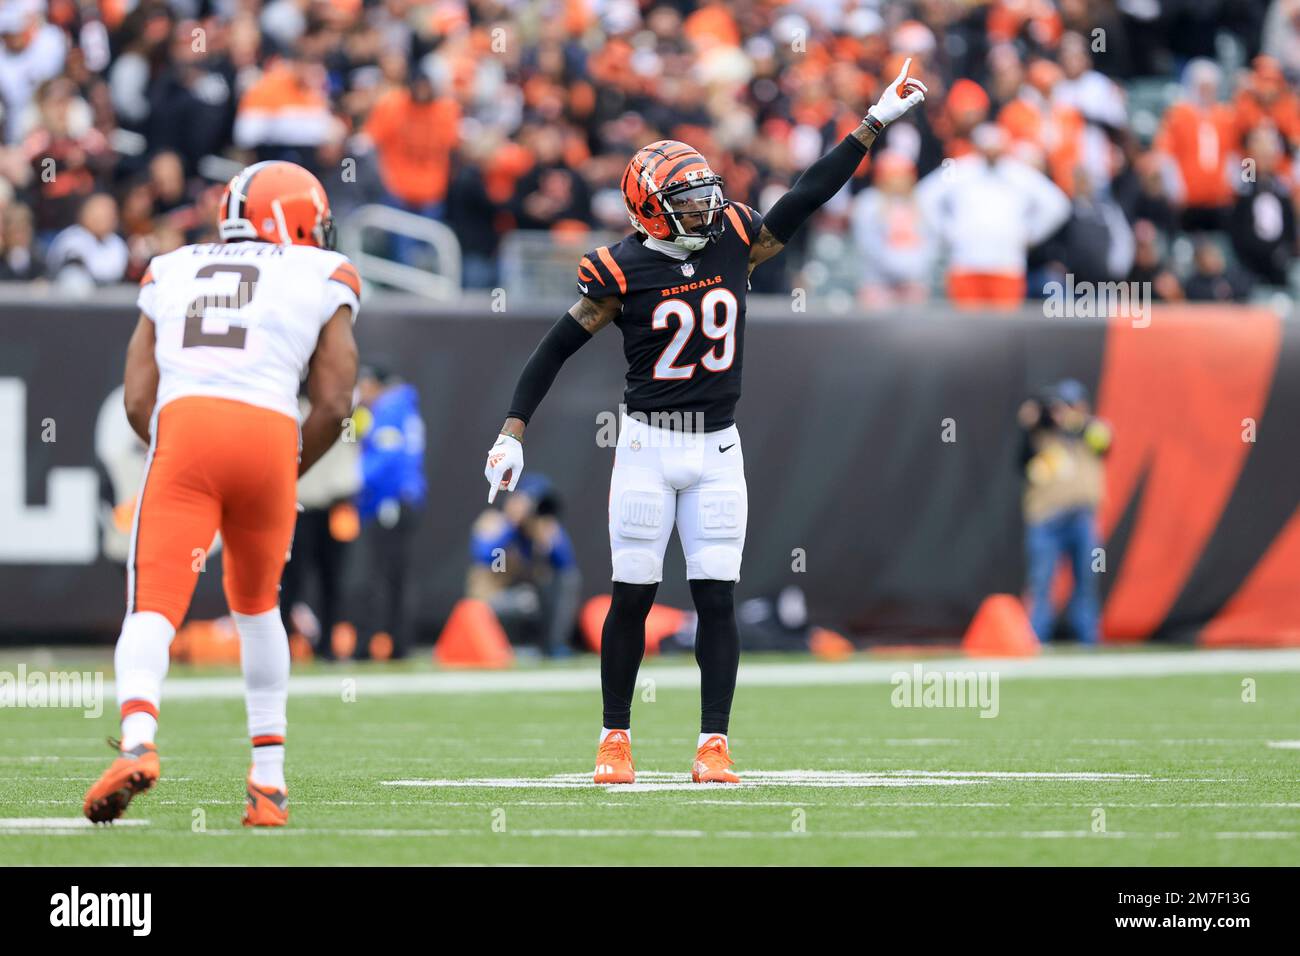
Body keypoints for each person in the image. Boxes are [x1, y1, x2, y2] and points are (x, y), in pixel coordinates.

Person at [483, 60, 927, 784]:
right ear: (652, 208)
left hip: (719, 448)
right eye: (688, 200)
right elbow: (553, 348)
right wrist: (512, 429)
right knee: (633, 594)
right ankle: (614, 738)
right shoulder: (619, 270)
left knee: (717, 595)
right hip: (648, 449)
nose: (706, 209)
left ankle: (713, 743)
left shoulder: (731, 239)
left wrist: (871, 123)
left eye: (704, 194)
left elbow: (805, 197)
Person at [82, 161, 361, 827]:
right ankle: (268, 783)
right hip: (269, 431)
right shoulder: (323, 272)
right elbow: (332, 403)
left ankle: (141, 738)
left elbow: (138, 395)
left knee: (153, 605)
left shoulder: (171, 266)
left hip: (186, 425)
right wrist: (279, 472)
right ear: (290, 217)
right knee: (258, 609)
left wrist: (180, 455)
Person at [1019, 380, 1112, 645]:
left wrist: (1070, 419)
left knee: (1086, 583)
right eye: (1062, 405)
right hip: (1046, 520)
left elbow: (1102, 443)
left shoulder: (1095, 429)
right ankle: (1034, 642)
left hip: (1082, 519)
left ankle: (1088, 642)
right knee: (1041, 583)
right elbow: (1022, 462)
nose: (1066, 410)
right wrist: (1031, 424)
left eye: (1072, 405)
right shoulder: (1041, 434)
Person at [352, 365, 426, 660]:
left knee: (380, 577)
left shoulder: (390, 408)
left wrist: (352, 480)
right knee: (396, 576)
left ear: (373, 383)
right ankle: (399, 644)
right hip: (405, 500)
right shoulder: (405, 407)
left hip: (390, 503)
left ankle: (370, 646)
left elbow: (386, 457)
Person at [467, 473, 581, 658]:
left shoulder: (540, 531)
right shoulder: (494, 522)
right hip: (490, 600)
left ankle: (553, 645)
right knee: (524, 600)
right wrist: (512, 524)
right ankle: (495, 647)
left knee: (555, 586)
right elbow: (483, 556)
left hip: (528, 599)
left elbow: (567, 568)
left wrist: (548, 542)